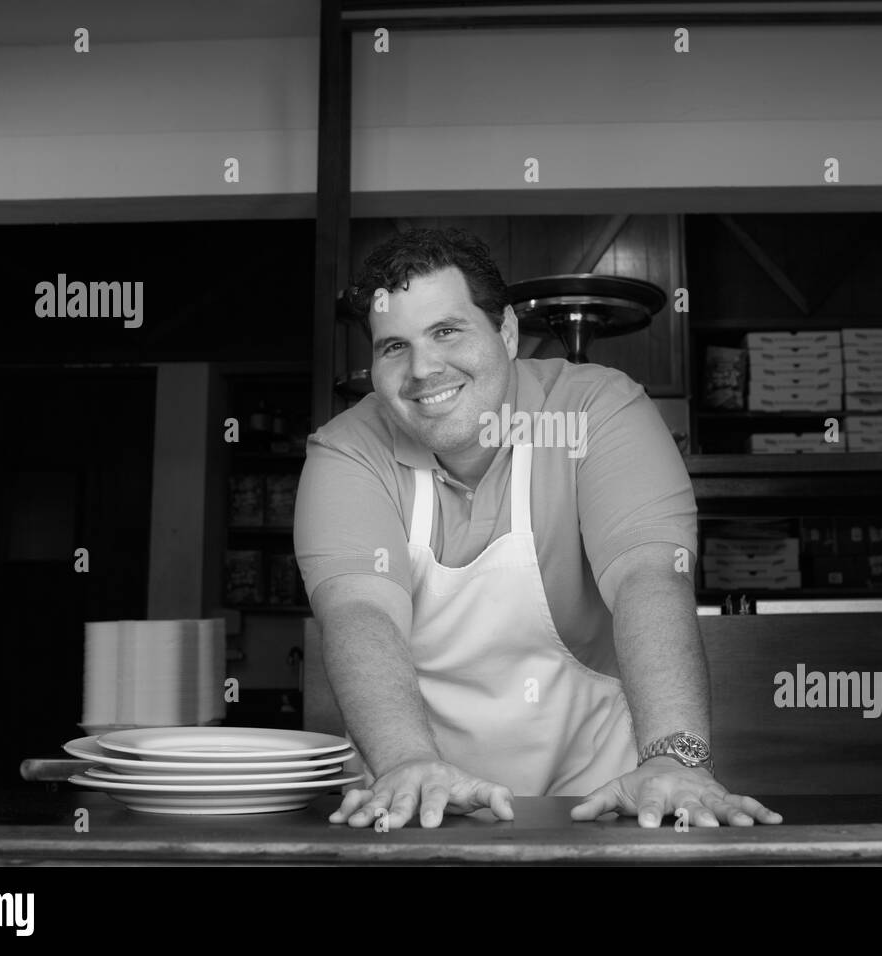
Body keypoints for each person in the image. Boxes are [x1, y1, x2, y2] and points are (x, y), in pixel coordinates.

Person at [294, 227, 781, 830]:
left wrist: (675, 759)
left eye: (447, 331)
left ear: (505, 331)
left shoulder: (595, 410)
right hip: (419, 809)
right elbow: (358, 612)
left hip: (605, 805)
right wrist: (407, 762)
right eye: (394, 346)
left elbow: (647, 577)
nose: (422, 368)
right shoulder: (347, 451)